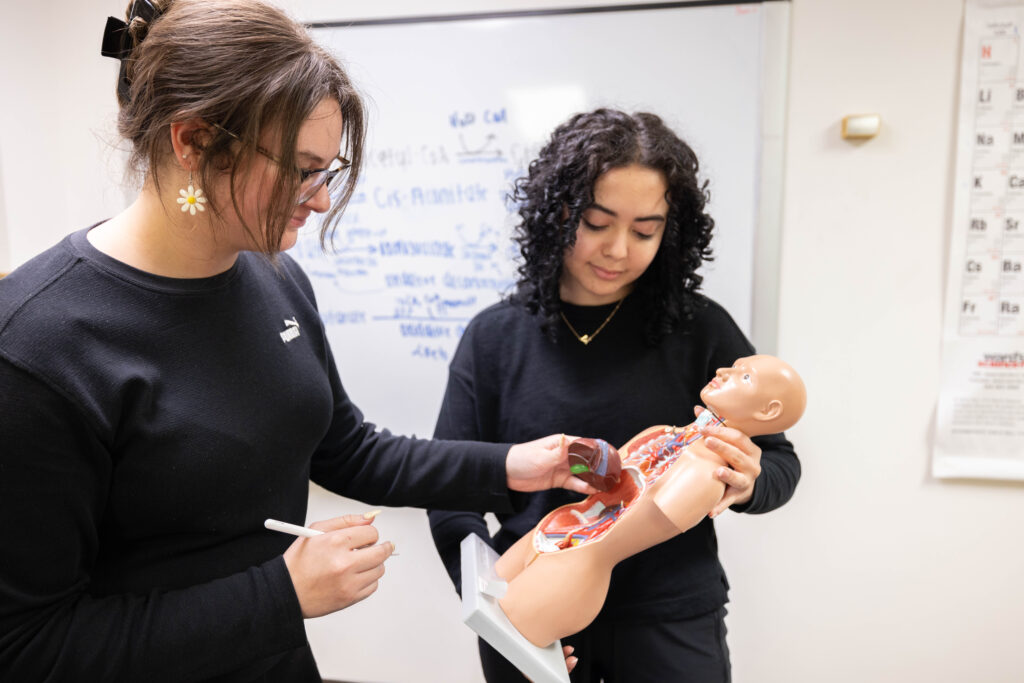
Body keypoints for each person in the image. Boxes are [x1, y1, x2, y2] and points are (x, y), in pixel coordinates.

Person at [0, 1, 589, 680]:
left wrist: (513, 464)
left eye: (327, 171)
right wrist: (280, 594)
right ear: (192, 141)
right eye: (302, 169)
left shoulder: (275, 279)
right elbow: (28, 646)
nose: (319, 199)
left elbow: (346, 449)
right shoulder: (39, 347)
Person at [427, 109, 802, 682]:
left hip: (668, 619)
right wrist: (494, 602)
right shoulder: (495, 336)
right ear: (558, 212)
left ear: (670, 231)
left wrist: (749, 483)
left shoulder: (700, 329)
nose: (618, 250)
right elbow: (449, 490)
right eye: (597, 223)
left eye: (645, 230)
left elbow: (780, 462)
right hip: (535, 600)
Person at [494, 355, 807, 650]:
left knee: (510, 637)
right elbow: (609, 483)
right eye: (733, 367)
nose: (724, 372)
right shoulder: (663, 433)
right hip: (549, 530)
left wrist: (732, 475)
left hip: (573, 573)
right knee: (490, 601)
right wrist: (576, 455)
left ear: (768, 412)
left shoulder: (706, 474)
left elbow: (633, 524)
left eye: (745, 376)